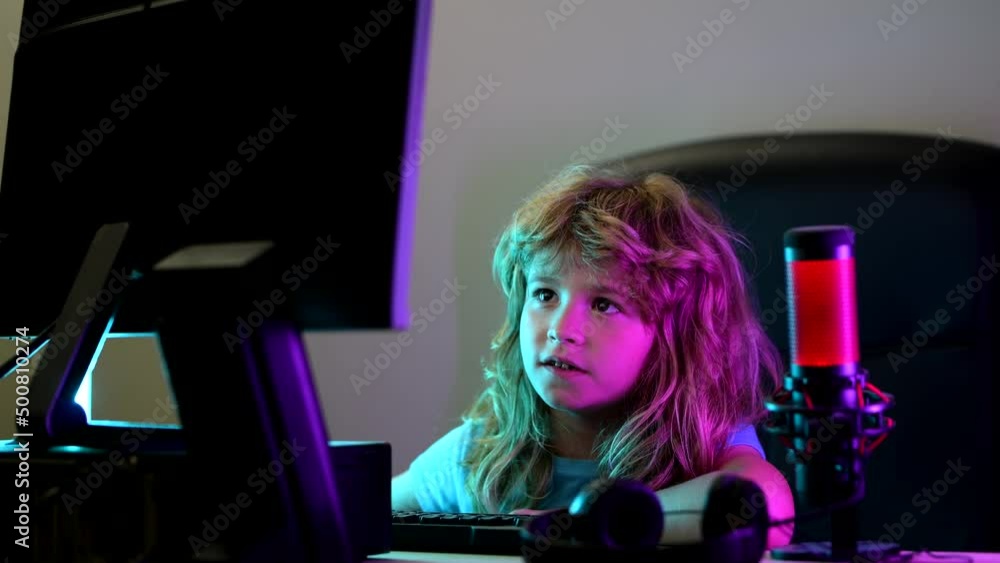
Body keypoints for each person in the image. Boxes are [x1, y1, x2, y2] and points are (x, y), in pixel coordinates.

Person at [391, 164, 795, 548]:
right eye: (545, 294)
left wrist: (586, 526)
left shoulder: (705, 444)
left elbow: (765, 504)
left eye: (604, 305)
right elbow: (352, 513)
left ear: (674, 337)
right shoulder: (480, 455)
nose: (561, 330)